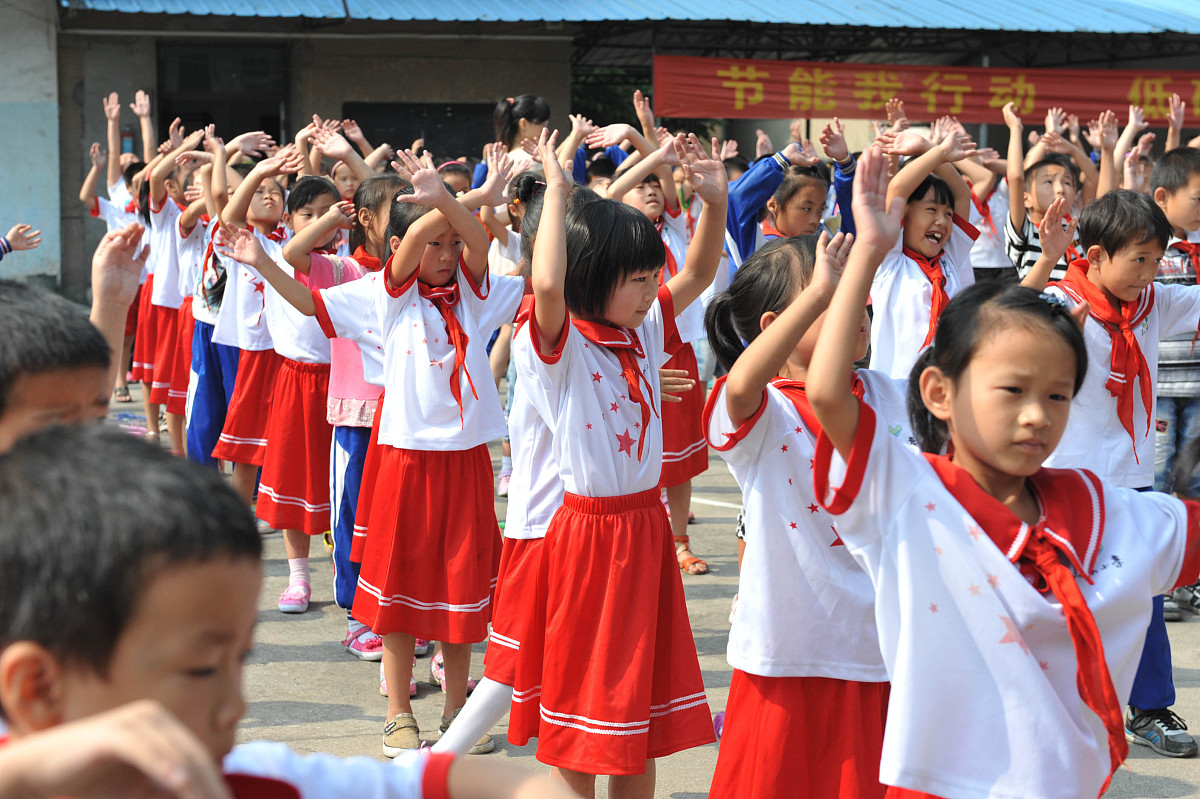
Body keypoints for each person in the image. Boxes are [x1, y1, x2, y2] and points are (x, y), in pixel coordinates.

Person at [806, 145, 1200, 798]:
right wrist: (867, 253)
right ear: (940, 392)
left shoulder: (1102, 508)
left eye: (1057, 395)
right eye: (1011, 391)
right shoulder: (912, 489)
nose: (1036, 417)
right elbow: (827, 395)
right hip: (939, 781)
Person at [0, 424, 584, 799]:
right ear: (36, 690)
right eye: (202, 670)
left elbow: (475, 787)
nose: (237, 706)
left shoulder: (245, 782)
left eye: (242, 661)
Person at [221, 146, 520, 758]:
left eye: (450, 246)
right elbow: (310, 302)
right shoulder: (387, 295)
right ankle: (397, 712)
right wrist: (262, 262)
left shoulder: (477, 295)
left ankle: (457, 710)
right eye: (431, 245)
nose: (443, 255)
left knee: (461, 591)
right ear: (400, 250)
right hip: (403, 459)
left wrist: (464, 206)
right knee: (399, 591)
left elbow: (481, 247)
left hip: (465, 462)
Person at [506, 130, 721, 798]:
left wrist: (711, 203)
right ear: (590, 278)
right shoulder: (559, 344)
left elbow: (702, 274)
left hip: (645, 530)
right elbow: (547, 280)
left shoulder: (640, 328)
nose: (652, 288)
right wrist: (559, 184)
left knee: (639, 719)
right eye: (637, 278)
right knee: (582, 719)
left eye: (651, 275)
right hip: (589, 537)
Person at [703, 232, 901, 799]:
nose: (856, 313)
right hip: (786, 649)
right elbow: (741, 384)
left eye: (858, 300)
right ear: (775, 327)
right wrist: (821, 293)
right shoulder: (768, 413)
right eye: (829, 301)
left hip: (877, 643)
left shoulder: (890, 395)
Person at [1025, 189, 1200, 759]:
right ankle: (1045, 701)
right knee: (1052, 596)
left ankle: (1149, 708)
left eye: (1156, 261)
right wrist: (1046, 259)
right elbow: (994, 322)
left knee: (1142, 593)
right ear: (1096, 255)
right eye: (1138, 260)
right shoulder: (1056, 302)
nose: (1148, 274)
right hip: (1059, 479)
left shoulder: (1153, 304)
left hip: (1130, 480)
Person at [867, 128, 979, 379]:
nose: (942, 221)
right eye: (931, 210)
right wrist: (938, 152)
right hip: (895, 390)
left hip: (946, 385)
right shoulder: (889, 260)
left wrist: (927, 146)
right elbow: (897, 189)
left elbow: (961, 193)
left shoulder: (950, 258)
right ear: (904, 212)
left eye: (948, 214)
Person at [1149, 147, 1200, 620]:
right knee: (1160, 482)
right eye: (1199, 198)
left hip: (1199, 389)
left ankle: (1189, 581)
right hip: (1162, 389)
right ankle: (1159, 581)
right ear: (1162, 197)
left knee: (1196, 484)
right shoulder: (1151, 254)